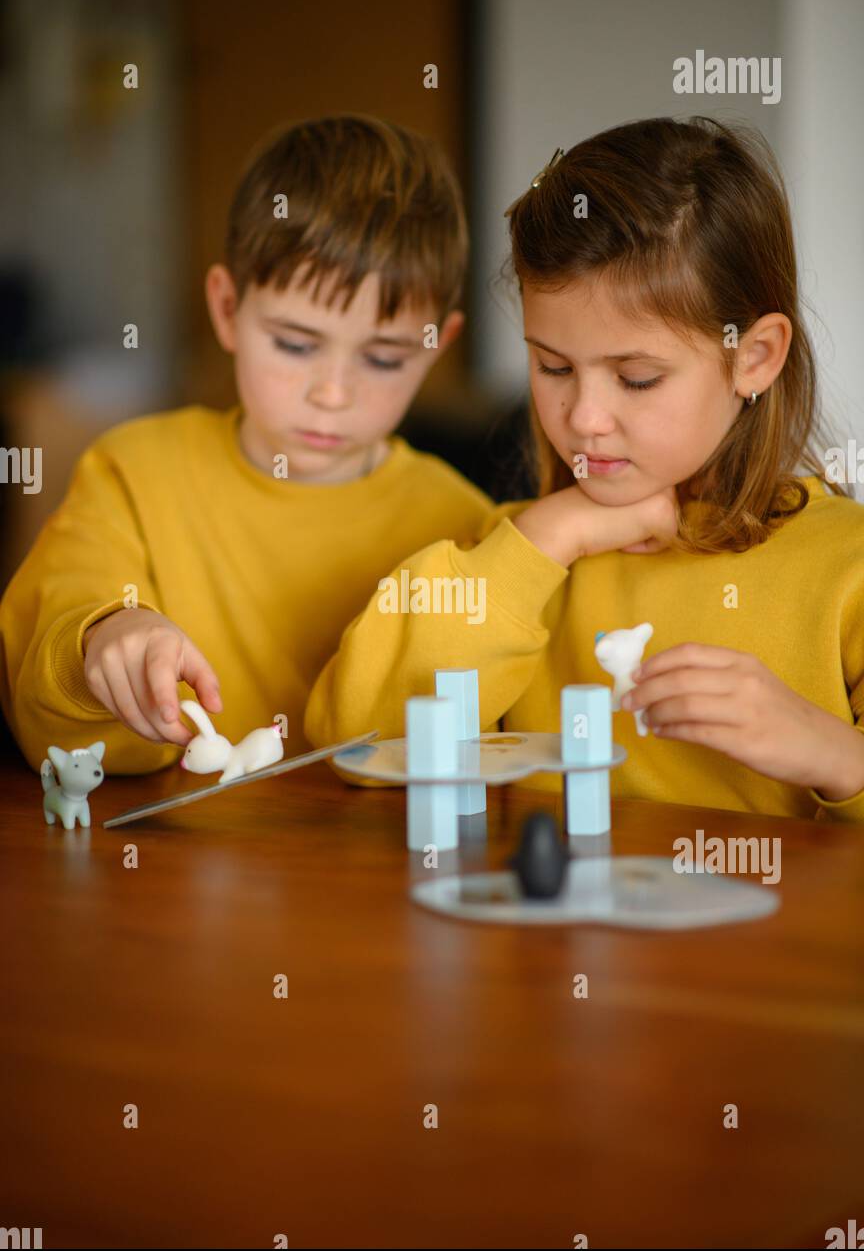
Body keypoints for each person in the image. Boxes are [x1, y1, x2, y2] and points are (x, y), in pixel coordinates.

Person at [305, 116, 864, 822]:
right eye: (553, 366)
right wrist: (553, 535)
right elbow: (356, 743)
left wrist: (836, 755)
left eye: (635, 378)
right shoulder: (519, 556)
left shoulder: (848, 566)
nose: (584, 417)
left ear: (753, 358)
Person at [0, 114, 491, 773]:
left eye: (382, 358)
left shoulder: (462, 529)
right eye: (295, 344)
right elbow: (48, 680)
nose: (333, 394)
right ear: (227, 309)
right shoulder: (135, 471)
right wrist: (101, 637)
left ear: (437, 346)